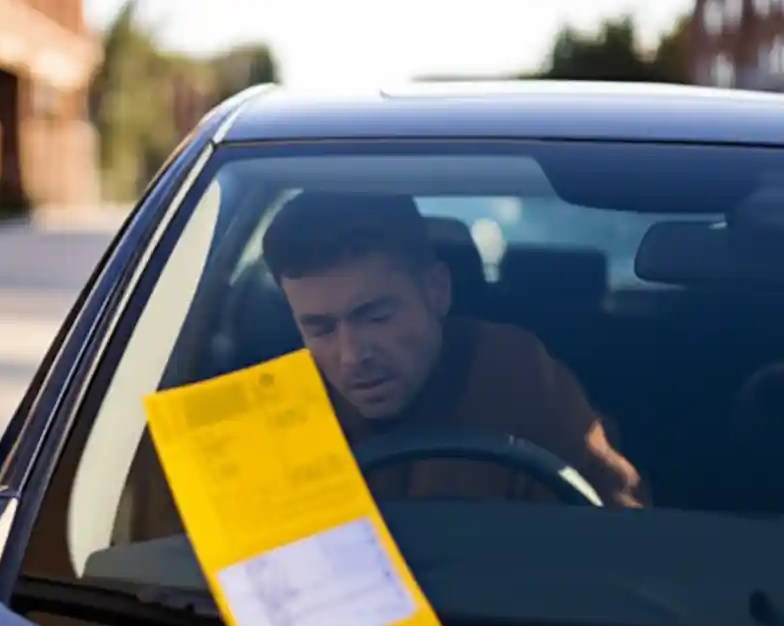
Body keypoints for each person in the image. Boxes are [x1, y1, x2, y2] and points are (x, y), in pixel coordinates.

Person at [261, 191, 645, 508]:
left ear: (437, 292)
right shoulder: (274, 409)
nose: (351, 356)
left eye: (376, 317)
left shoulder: (517, 375)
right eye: (320, 328)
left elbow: (618, 530)